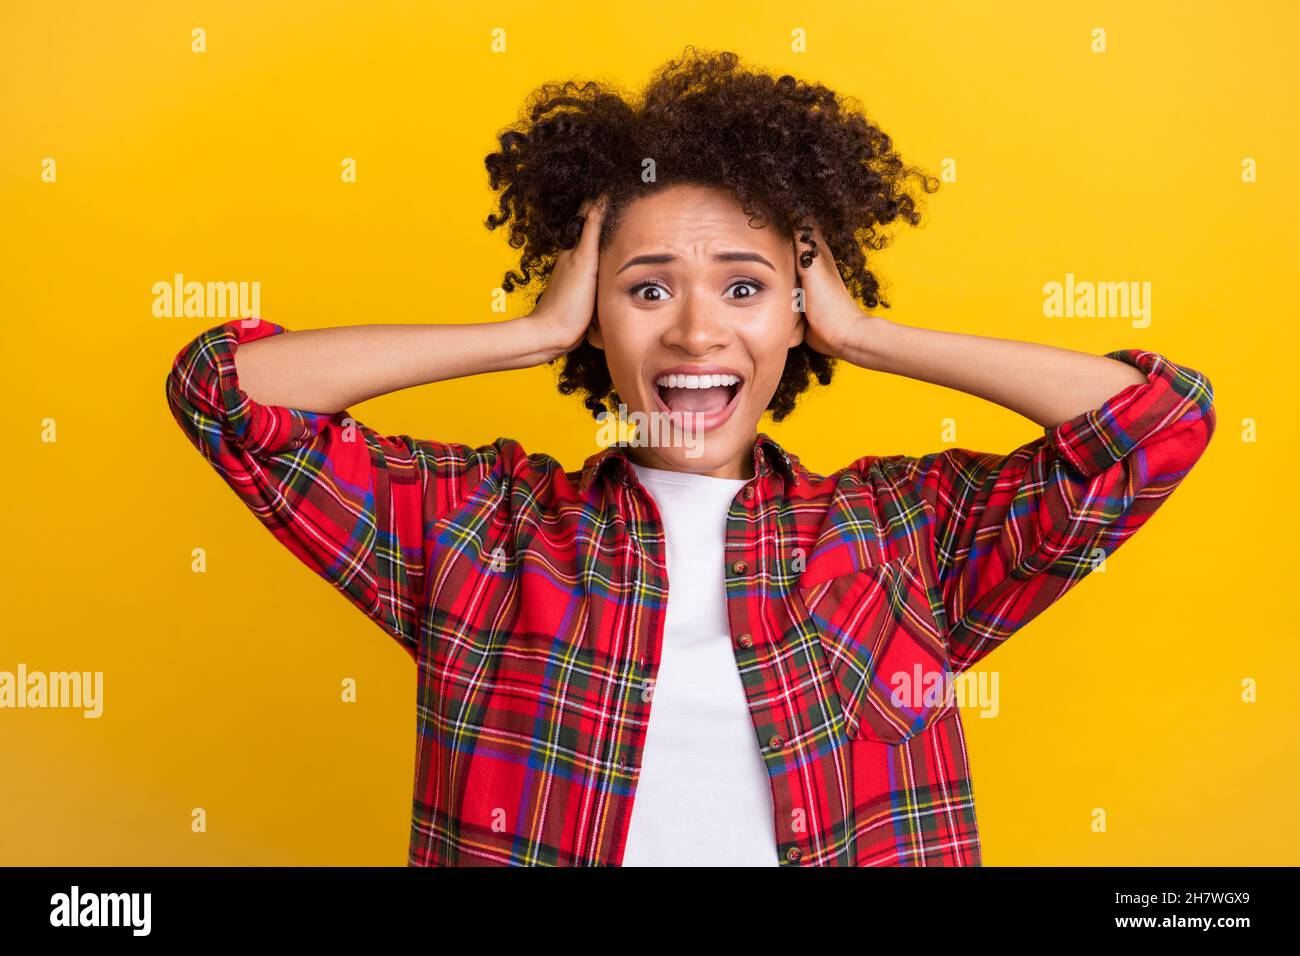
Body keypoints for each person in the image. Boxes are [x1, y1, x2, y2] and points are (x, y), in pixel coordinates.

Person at [164, 48, 1216, 866]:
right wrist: (525, 334)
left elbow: (1157, 425)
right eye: (649, 287)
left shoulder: (904, 534)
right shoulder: (478, 531)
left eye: (747, 288)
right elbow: (223, 391)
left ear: (800, 312)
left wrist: (862, 331)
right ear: (595, 316)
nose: (697, 333)